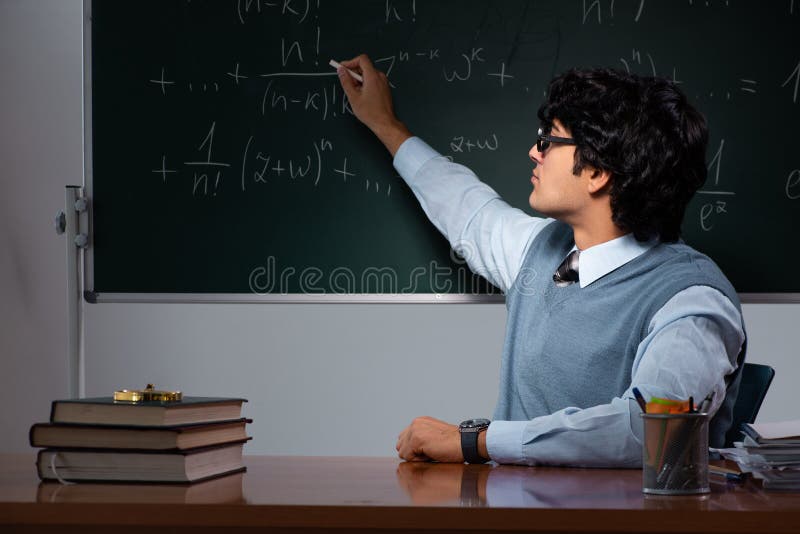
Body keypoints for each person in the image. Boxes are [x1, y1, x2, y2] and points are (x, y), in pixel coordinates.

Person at [335, 55, 747, 467]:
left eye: (550, 140)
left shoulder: (692, 301)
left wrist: (477, 440)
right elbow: (467, 209)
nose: (534, 152)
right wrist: (386, 125)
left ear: (598, 171)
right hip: (519, 511)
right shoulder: (543, 251)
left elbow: (650, 430)